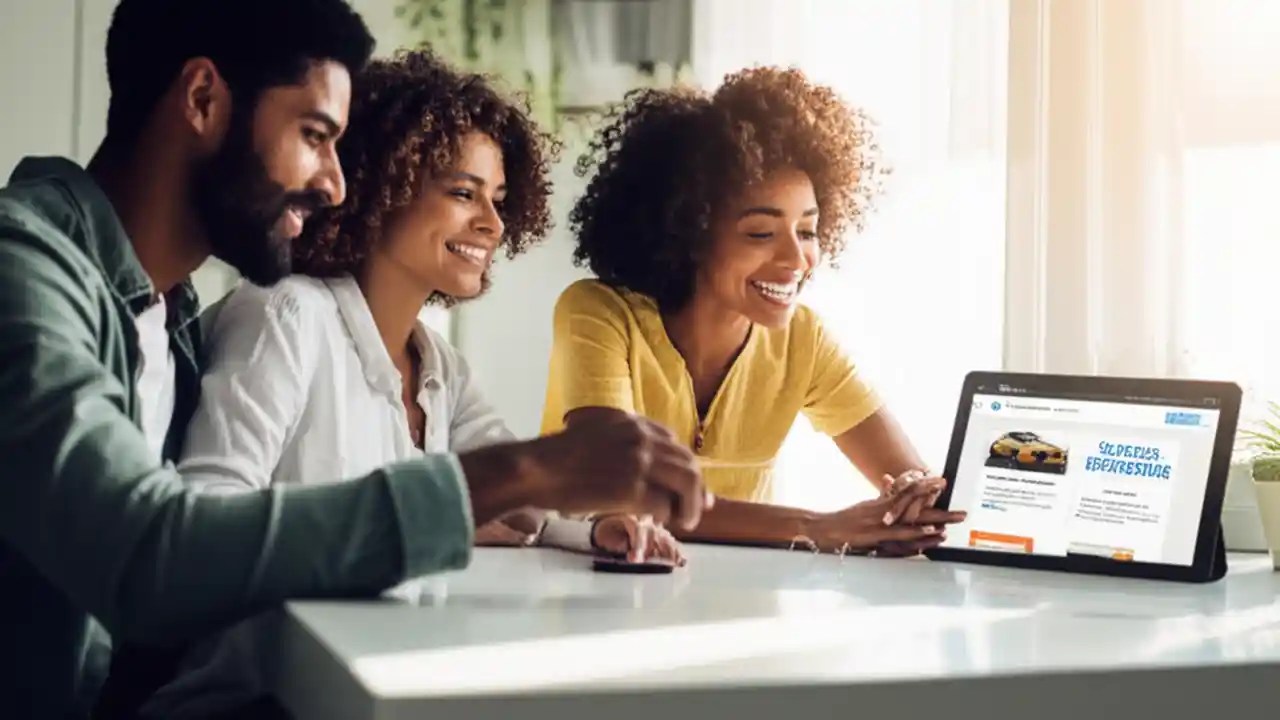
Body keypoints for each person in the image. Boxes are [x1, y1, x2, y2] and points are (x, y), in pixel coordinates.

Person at [0, 2, 707, 717]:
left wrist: (558, 512)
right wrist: (519, 472)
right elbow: (150, 556)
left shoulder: (167, 318)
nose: (337, 185)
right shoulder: (22, 273)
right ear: (204, 100)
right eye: (314, 136)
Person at [541, 66, 960, 555]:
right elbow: (619, 489)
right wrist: (817, 526)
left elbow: (915, 483)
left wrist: (909, 510)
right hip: (599, 599)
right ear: (689, 234)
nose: (795, 259)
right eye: (761, 233)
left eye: (807, 231)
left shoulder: (803, 339)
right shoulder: (600, 313)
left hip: (737, 608)